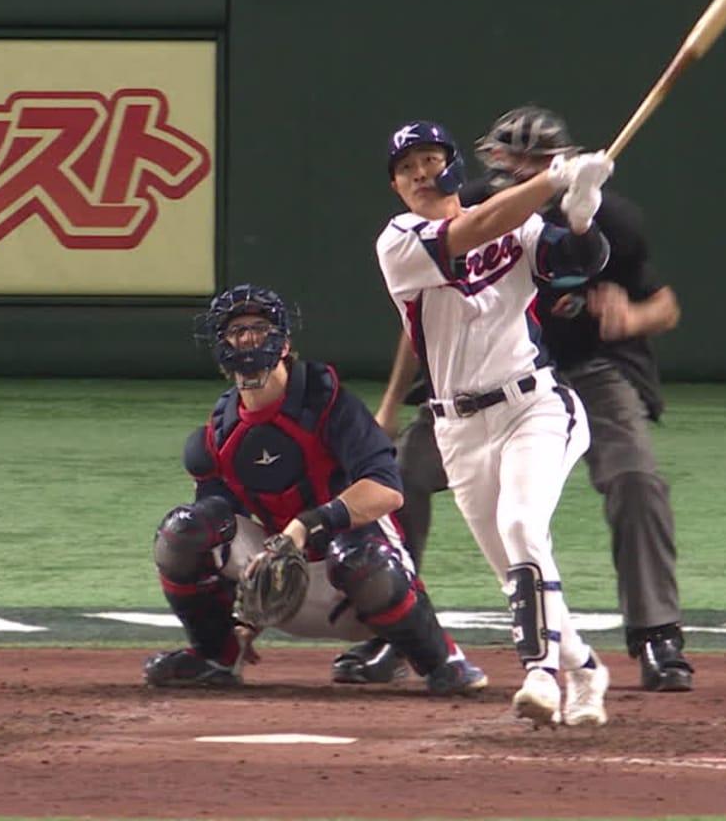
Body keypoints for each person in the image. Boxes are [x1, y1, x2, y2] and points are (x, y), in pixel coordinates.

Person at [338, 107, 693, 693]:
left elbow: (639, 288)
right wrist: (393, 402)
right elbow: (426, 309)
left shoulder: (612, 217)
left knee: (634, 478)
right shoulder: (463, 213)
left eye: (538, 159)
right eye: (512, 156)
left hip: (583, 368)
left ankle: (656, 635)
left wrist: (586, 223)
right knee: (400, 478)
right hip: (470, 387)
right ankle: (396, 630)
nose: (522, 167)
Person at [370, 120, 614, 728]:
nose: (419, 175)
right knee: (516, 569)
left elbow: (579, 261)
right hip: (457, 429)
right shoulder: (399, 241)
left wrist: (582, 211)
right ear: (396, 188)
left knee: (522, 525)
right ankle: (585, 669)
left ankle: (540, 674)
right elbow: (473, 230)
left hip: (534, 405)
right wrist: (554, 180)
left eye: (429, 160)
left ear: (452, 165)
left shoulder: (519, 224)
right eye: (406, 169)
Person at [142, 283, 489, 697]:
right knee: (183, 531)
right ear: (221, 345)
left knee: (361, 560)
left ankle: (438, 659)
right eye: (237, 331)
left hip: (357, 580)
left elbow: (387, 491)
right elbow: (218, 537)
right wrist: (247, 617)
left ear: (285, 343)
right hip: (283, 580)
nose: (248, 339)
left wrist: (307, 525)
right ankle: (216, 654)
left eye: (259, 328)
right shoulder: (217, 434)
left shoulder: (328, 402)